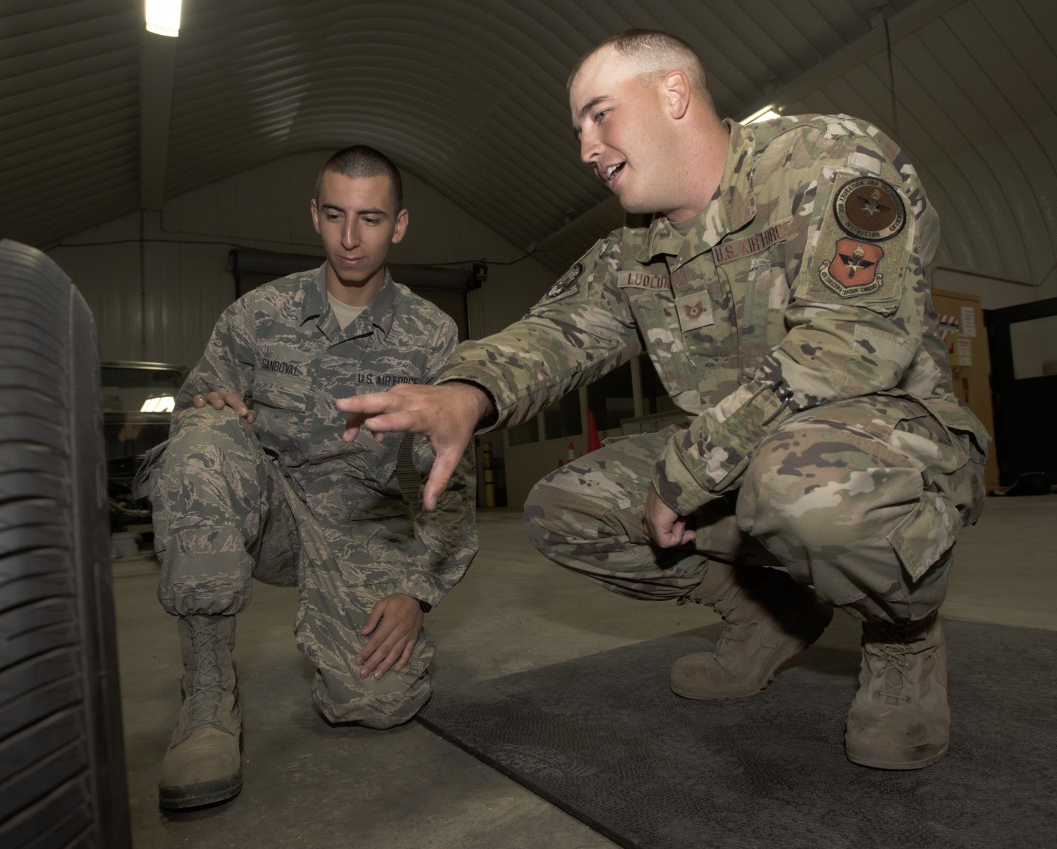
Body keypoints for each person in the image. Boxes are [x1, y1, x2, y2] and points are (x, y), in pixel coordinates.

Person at [337, 31, 988, 770]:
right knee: (566, 507)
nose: (586, 147)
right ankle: (768, 616)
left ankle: (904, 639)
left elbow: (851, 342)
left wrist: (688, 469)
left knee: (801, 485)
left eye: (600, 115)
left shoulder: (826, 161)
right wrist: (465, 390)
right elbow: (556, 332)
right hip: (746, 456)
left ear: (674, 94)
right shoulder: (634, 249)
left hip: (890, 444)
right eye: (577, 128)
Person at [135, 145, 478, 810]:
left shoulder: (431, 335)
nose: (351, 238)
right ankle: (207, 697)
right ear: (314, 214)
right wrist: (205, 417)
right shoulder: (256, 315)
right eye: (335, 215)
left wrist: (416, 590)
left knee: (378, 702)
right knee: (203, 439)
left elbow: (451, 477)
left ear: (399, 225)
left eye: (371, 218)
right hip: (270, 514)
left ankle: (350, 641)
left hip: (361, 525)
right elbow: (191, 414)